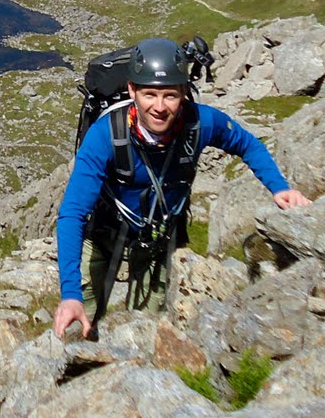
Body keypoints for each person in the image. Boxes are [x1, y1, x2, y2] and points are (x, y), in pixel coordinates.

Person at [53, 36, 310, 339]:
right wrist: (71, 294)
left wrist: (279, 188)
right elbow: (72, 214)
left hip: (160, 238)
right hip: (103, 231)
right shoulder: (105, 136)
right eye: (149, 94)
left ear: (184, 92)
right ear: (132, 90)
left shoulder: (201, 123)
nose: (159, 107)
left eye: (170, 96)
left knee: (149, 332)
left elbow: (247, 144)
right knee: (76, 327)